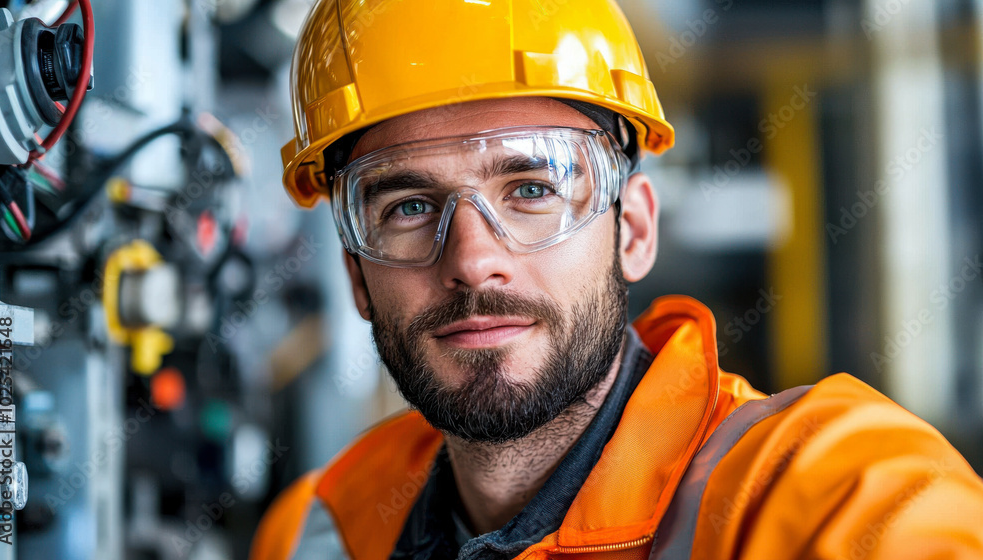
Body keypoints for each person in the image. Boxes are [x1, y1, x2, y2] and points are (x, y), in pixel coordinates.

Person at [251, 0, 983, 558]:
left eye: (532, 189)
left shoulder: (834, 493)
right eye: (410, 206)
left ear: (632, 229)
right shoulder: (322, 530)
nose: (473, 260)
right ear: (354, 270)